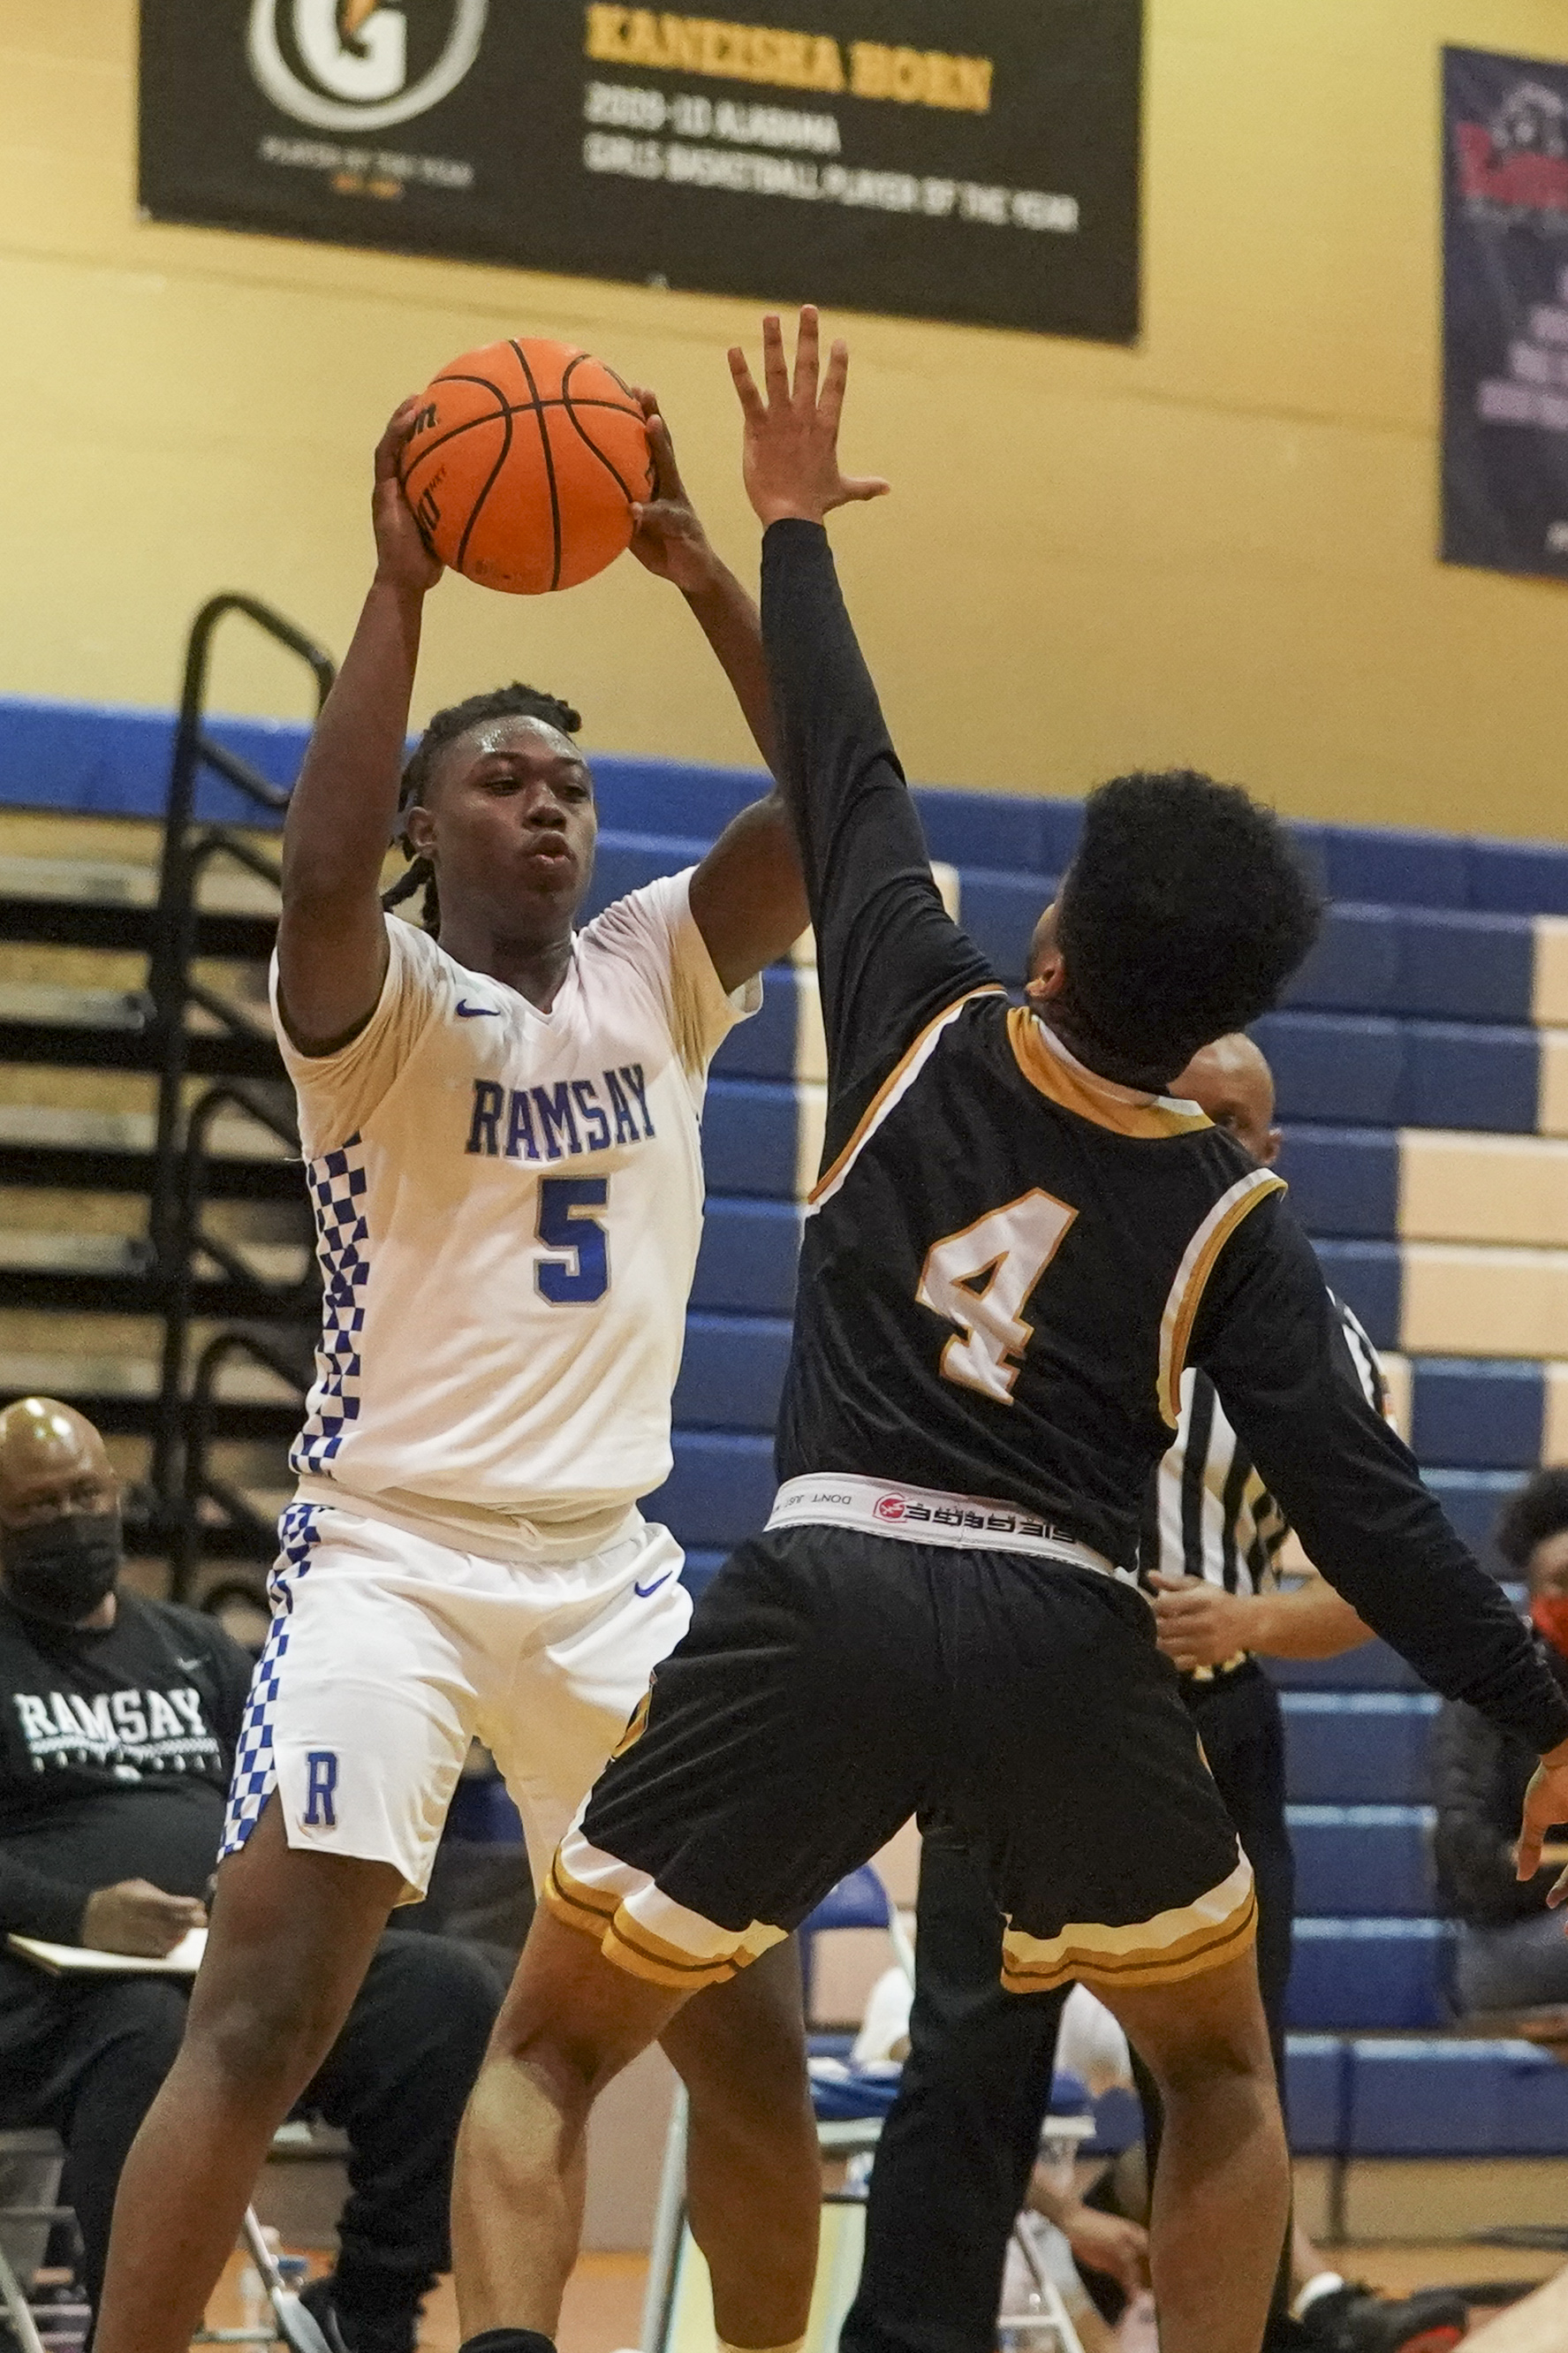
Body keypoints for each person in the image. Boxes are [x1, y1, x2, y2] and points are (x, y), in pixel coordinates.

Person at [446, 307, 1568, 2353]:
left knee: (540, 2057)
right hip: (1070, 1640)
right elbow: (1376, 1516)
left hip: (832, 1581)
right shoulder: (1227, 1205)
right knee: (1219, 2081)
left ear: (1051, 940)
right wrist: (1548, 1703)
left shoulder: (918, 1012)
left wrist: (777, 530)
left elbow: (846, 756)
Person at [95, 384, 833, 2353]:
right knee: (258, 2014)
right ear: (432, 821)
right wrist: (396, 589)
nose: (552, 803)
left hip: (610, 1573)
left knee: (753, 2038)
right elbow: (317, 876)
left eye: (572, 783)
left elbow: (845, 795)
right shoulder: (375, 1004)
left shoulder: (663, 963)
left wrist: (706, 577)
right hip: (393, 1564)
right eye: (505, 780)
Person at [842, 1033, 1466, 2353]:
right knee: (967, 2062)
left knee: (1222, 2081)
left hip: (1207, 1733)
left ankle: (1260, 2322)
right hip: (1018, 1712)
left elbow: (1380, 1578)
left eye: (1235, 1125)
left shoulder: (1317, 1343)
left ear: (1270, 1159)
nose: (1209, 1140)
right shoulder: (1039, 1273)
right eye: (1188, 1112)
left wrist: (1241, 1615)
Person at [0, 1397, 498, 2351]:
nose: (71, 1519)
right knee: (151, 2032)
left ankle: (370, 2304)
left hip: (229, 1963)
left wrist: (260, 1883)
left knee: (443, 1989)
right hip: (55, 1992)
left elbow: (282, 1799)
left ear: (118, 1494)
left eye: (86, 1492)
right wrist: (82, 1914)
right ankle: (145, 2328)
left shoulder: (196, 1646)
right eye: (37, 1507)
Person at [1435, 1468, 1568, 2015]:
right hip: (1510, 1945)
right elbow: (1471, 1861)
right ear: (1532, 1590)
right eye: (1564, 1582)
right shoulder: (1489, 1690)